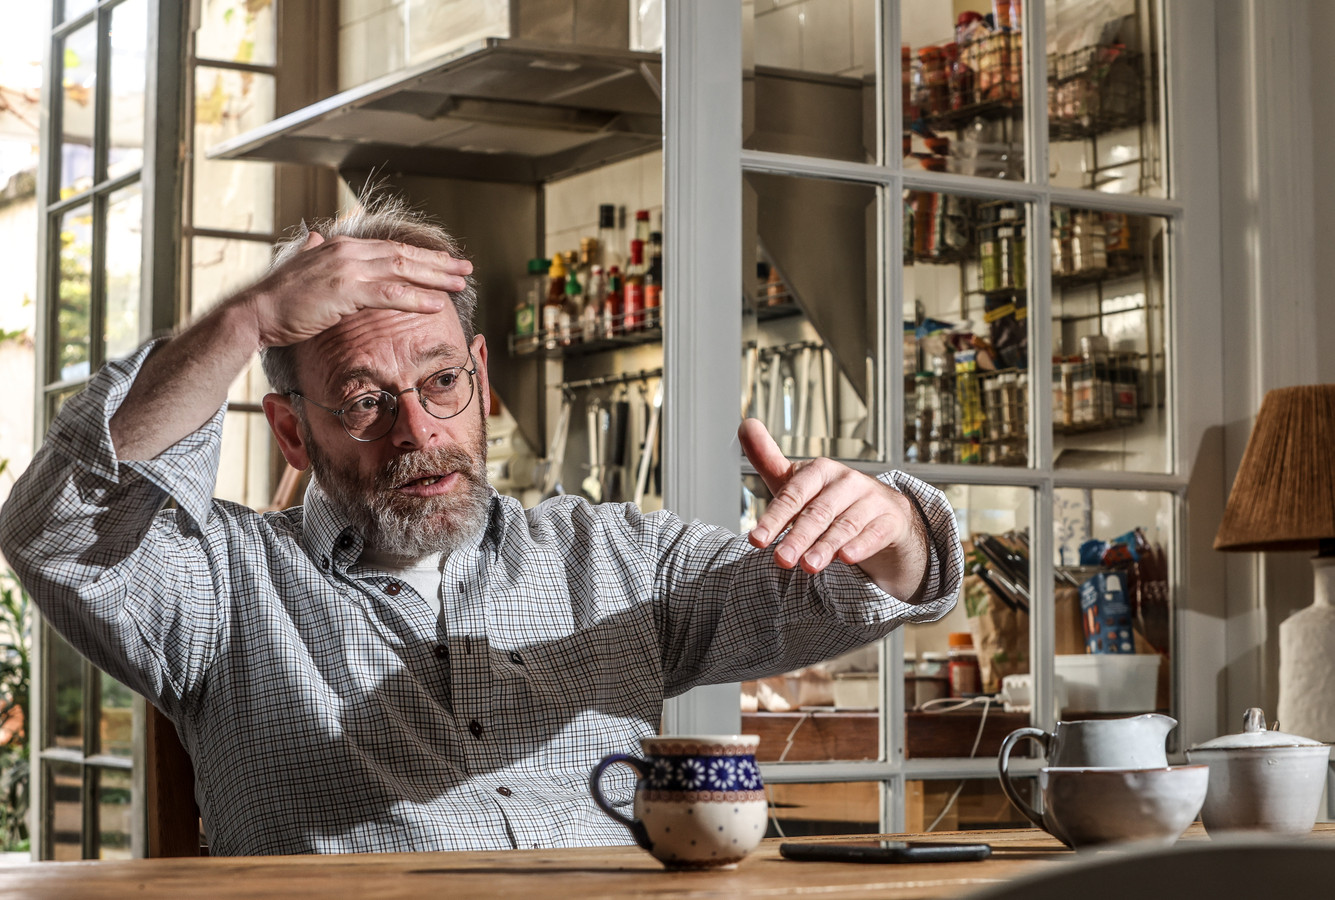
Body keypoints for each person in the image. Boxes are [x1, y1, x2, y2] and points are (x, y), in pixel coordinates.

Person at [0, 197, 963, 856]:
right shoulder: (219, 587)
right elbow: (59, 527)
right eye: (367, 398)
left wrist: (891, 527)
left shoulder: (617, 559)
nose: (421, 430)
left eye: (441, 383)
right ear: (291, 429)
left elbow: (857, 590)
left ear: (483, 378)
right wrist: (242, 321)